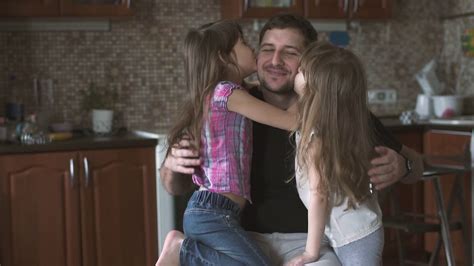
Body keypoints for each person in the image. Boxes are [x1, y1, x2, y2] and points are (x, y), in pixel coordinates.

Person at [159, 14, 424, 266]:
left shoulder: (339, 112)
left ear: (309, 61)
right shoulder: (229, 109)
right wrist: (171, 164)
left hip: (308, 246)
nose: (275, 60)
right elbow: (174, 187)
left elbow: (417, 164)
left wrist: (405, 165)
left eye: (290, 52)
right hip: (238, 238)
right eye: (266, 48)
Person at [157, 20, 301, 266]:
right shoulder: (227, 94)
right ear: (224, 57)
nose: (251, 47)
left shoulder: (228, 93)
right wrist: (310, 88)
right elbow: (292, 121)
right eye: (243, 43)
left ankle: (184, 250)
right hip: (213, 211)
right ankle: (181, 250)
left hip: (218, 212)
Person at [286, 41, 386, 266]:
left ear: (314, 87)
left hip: (354, 238)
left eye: (302, 70)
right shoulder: (337, 127)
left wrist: (310, 253)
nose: (295, 72)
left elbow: (319, 196)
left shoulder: (317, 140)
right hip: (359, 231)